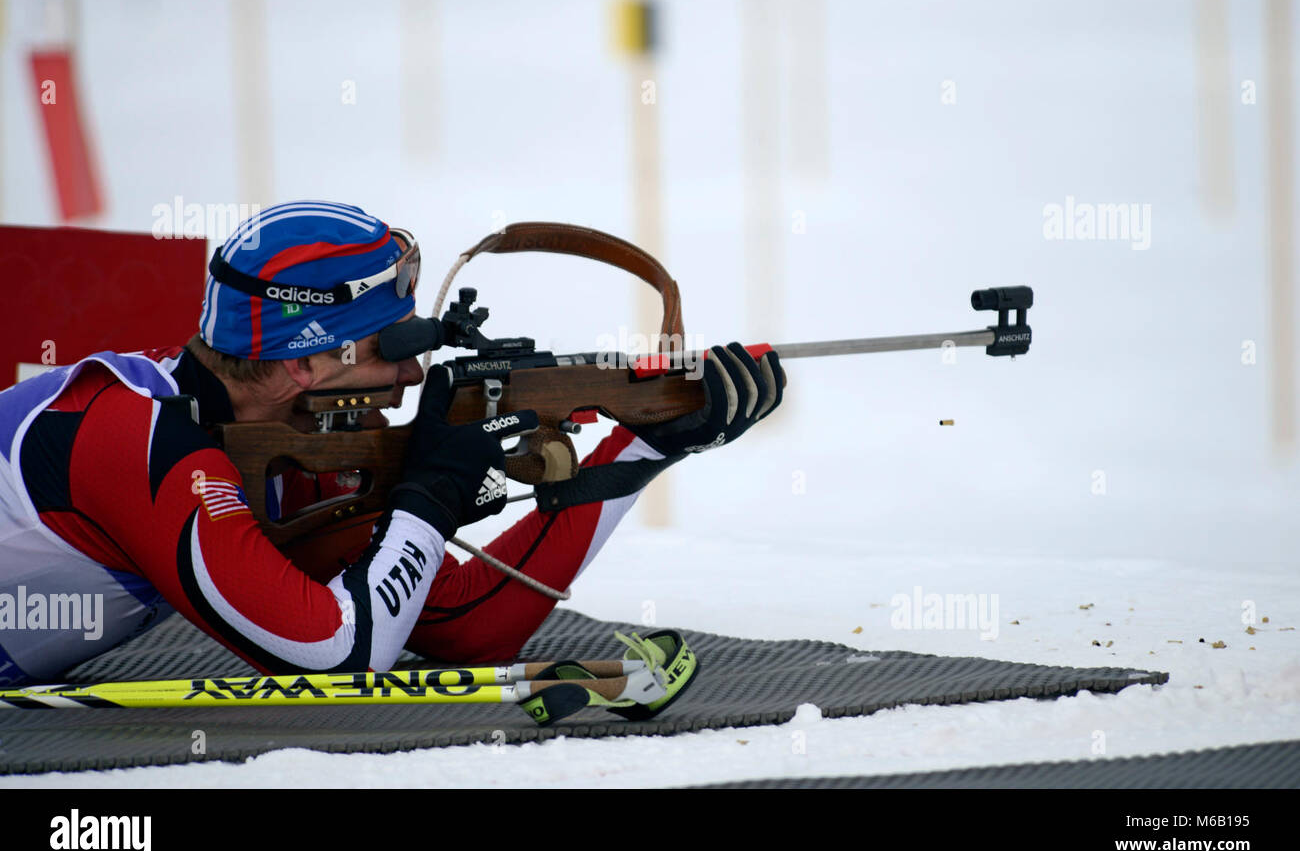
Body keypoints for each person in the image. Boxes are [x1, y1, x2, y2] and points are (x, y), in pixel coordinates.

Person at [0, 201, 783, 685]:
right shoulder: (131, 439)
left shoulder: (291, 439)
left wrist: (648, 443)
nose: (414, 368)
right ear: (305, 360)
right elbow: (337, 653)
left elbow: (470, 623)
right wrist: (428, 498)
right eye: (388, 345)